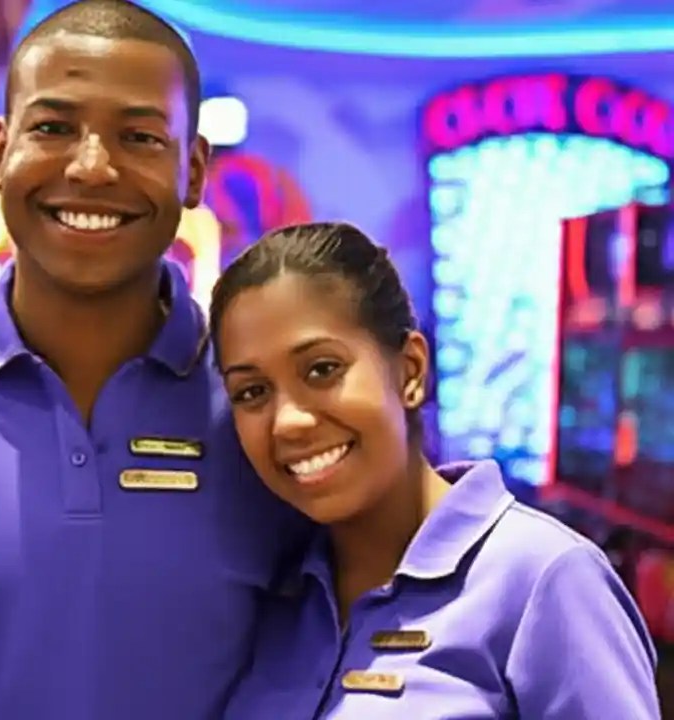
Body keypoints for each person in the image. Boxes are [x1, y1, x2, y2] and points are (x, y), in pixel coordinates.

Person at [0, 2, 309, 719]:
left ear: (192, 171)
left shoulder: (261, 403)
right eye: (53, 128)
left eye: (138, 136)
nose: (92, 166)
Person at [211, 221, 659, 718]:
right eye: (252, 392)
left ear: (409, 371)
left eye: (322, 369)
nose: (288, 422)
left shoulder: (543, 578)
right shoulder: (278, 596)